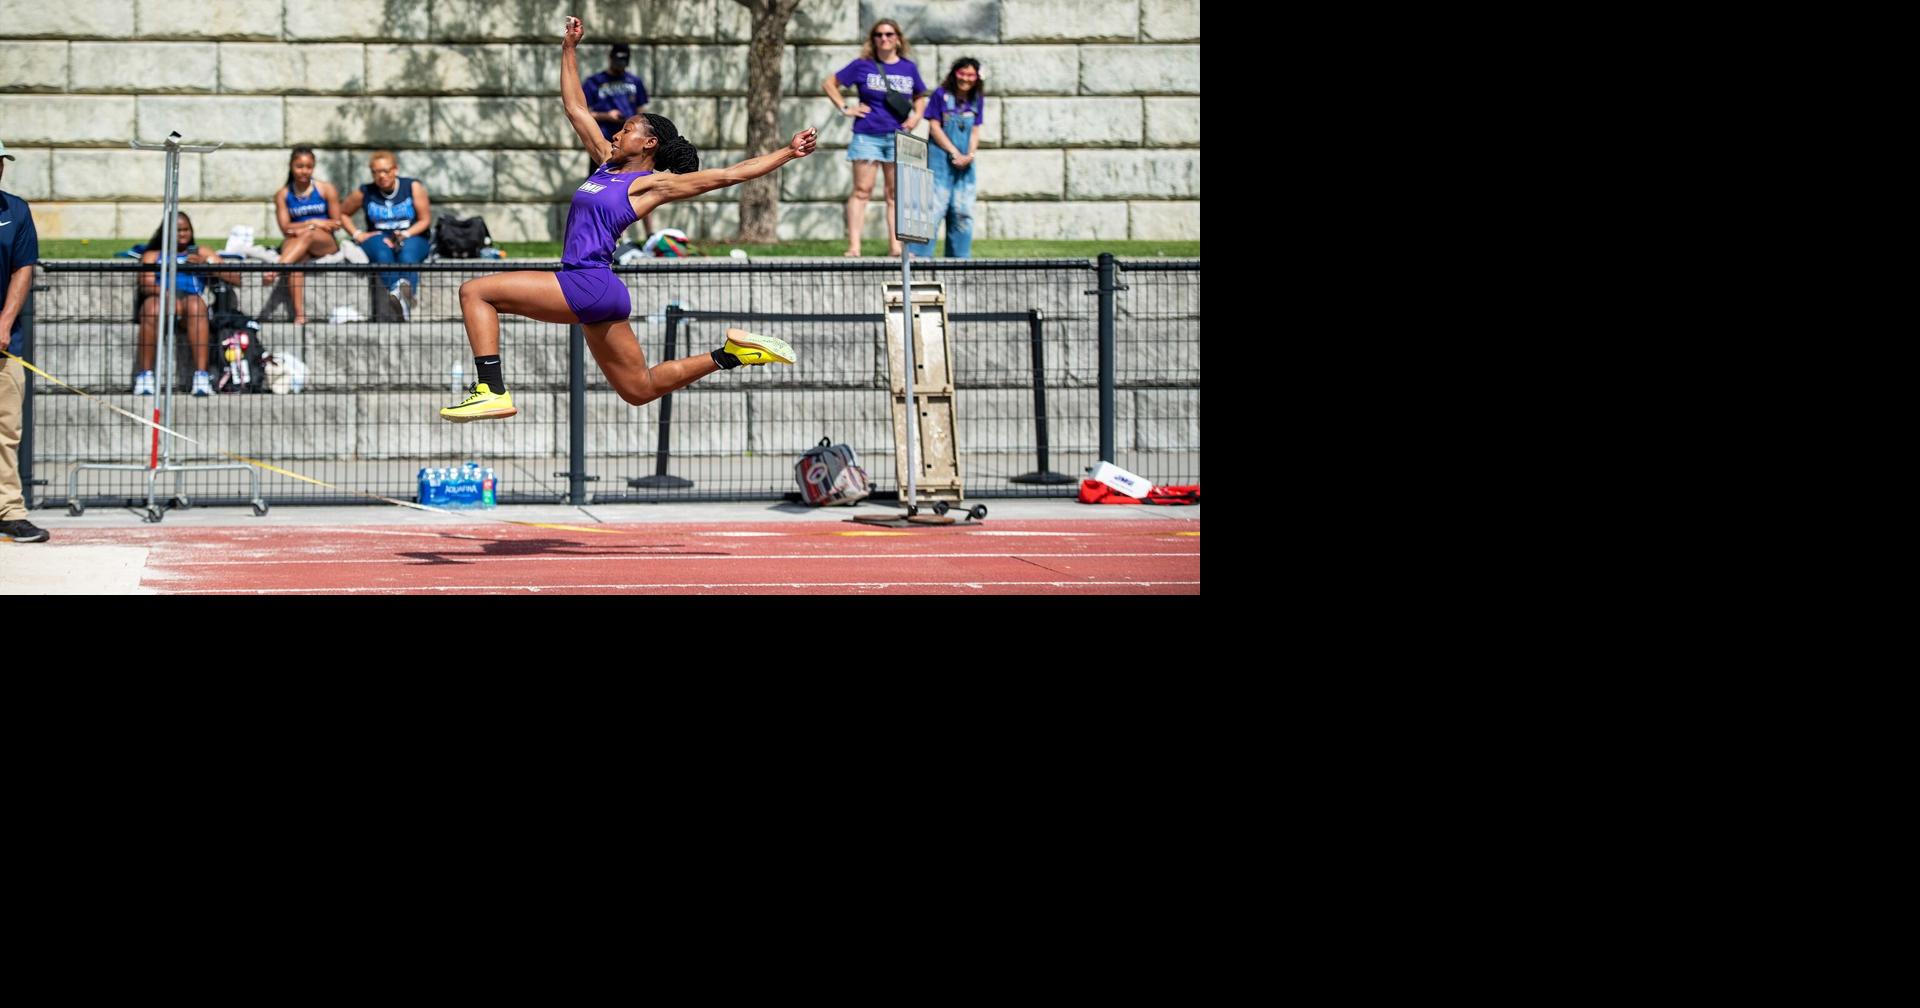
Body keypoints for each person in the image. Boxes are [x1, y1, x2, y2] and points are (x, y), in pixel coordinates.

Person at [439, 16, 816, 424]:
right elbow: (575, 107)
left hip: (585, 281)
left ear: (649, 143)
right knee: (639, 389)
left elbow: (730, 174)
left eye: (627, 130)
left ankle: (490, 389)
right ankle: (732, 354)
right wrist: (569, 48)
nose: (616, 134)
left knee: (475, 291)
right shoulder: (605, 164)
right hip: (600, 292)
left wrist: (787, 152)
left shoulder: (650, 185)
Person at [823, 18, 927, 257]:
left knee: (894, 194)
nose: (884, 38)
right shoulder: (862, 65)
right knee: (862, 190)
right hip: (867, 134)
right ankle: (854, 247)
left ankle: (895, 247)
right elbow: (830, 83)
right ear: (873, 39)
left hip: (898, 136)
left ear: (898, 39)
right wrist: (845, 108)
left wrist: (916, 117)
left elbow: (920, 95)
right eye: (879, 35)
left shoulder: (908, 68)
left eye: (889, 34)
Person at [134, 211, 241, 397]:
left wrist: (206, 264)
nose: (182, 234)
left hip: (191, 306)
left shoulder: (200, 253)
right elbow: (146, 283)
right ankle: (145, 376)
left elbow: (235, 278)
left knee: (195, 305)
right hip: (163, 303)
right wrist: (170, 297)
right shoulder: (153, 255)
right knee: (151, 307)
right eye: (177, 230)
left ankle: (201, 376)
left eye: (186, 230)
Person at [1, 137, 49, 544]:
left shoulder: (15, 210)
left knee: (6, 430)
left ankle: (9, 511)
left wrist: (4, 321)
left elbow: (23, 268)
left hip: (4, 344)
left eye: (0, 161)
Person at [337, 150, 432, 321]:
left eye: (386, 171)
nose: (381, 176)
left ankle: (402, 299)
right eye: (376, 172)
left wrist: (405, 234)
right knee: (382, 250)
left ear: (395, 170)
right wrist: (357, 234)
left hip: (411, 235)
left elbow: (425, 220)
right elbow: (342, 213)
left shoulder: (412, 187)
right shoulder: (365, 191)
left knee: (408, 253)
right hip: (378, 236)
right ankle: (400, 295)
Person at [905, 58, 985, 260]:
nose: (966, 79)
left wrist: (970, 155)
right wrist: (953, 152)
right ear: (954, 73)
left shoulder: (976, 99)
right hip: (940, 158)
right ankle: (920, 255)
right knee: (934, 207)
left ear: (976, 78)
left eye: (970, 75)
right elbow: (934, 127)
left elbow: (975, 130)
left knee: (962, 209)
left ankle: (959, 258)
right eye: (962, 73)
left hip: (965, 164)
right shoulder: (941, 95)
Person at [582, 41, 654, 238]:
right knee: (603, 188)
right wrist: (608, 115)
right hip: (606, 145)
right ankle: (609, 233)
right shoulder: (594, 82)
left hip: (634, 146)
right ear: (610, 58)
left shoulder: (634, 81)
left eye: (624, 61)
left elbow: (642, 112)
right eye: (617, 60)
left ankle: (650, 235)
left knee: (643, 184)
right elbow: (585, 114)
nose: (620, 65)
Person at [269, 145, 343, 324]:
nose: (304, 171)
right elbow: (286, 228)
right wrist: (313, 223)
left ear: (314, 167)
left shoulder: (326, 189)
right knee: (296, 260)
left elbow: (336, 223)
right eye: (299, 166)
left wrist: (312, 228)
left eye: (308, 166)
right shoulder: (283, 194)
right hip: (296, 239)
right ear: (291, 166)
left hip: (323, 241)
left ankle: (275, 269)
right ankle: (299, 315)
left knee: (309, 235)